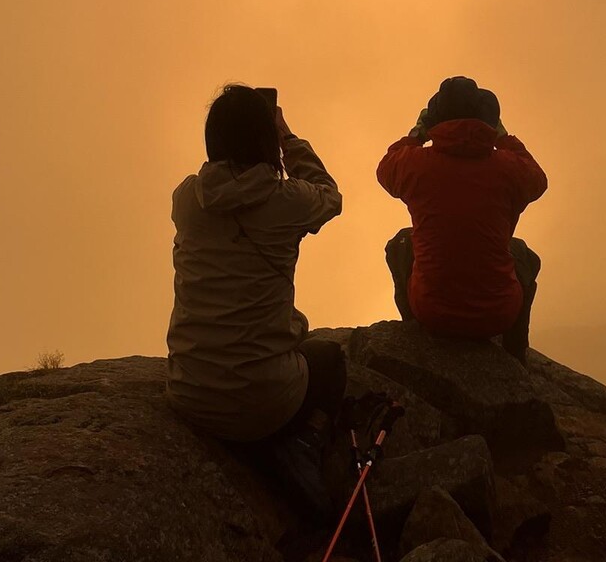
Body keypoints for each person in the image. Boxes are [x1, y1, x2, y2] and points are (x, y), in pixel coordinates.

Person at [166, 85, 345, 516]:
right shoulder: (288, 201)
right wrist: (288, 137)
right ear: (266, 140)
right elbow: (329, 194)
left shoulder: (186, 199)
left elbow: (221, 189)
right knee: (330, 361)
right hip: (265, 404)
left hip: (189, 394)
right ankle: (300, 445)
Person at [377, 75, 547, 363]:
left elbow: (385, 167)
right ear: (488, 120)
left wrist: (417, 133)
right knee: (524, 255)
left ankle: (414, 335)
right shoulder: (509, 168)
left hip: (432, 312)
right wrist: (503, 137)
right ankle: (515, 353)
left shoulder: (415, 165)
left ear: (435, 120)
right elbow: (538, 179)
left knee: (400, 244)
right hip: (498, 315)